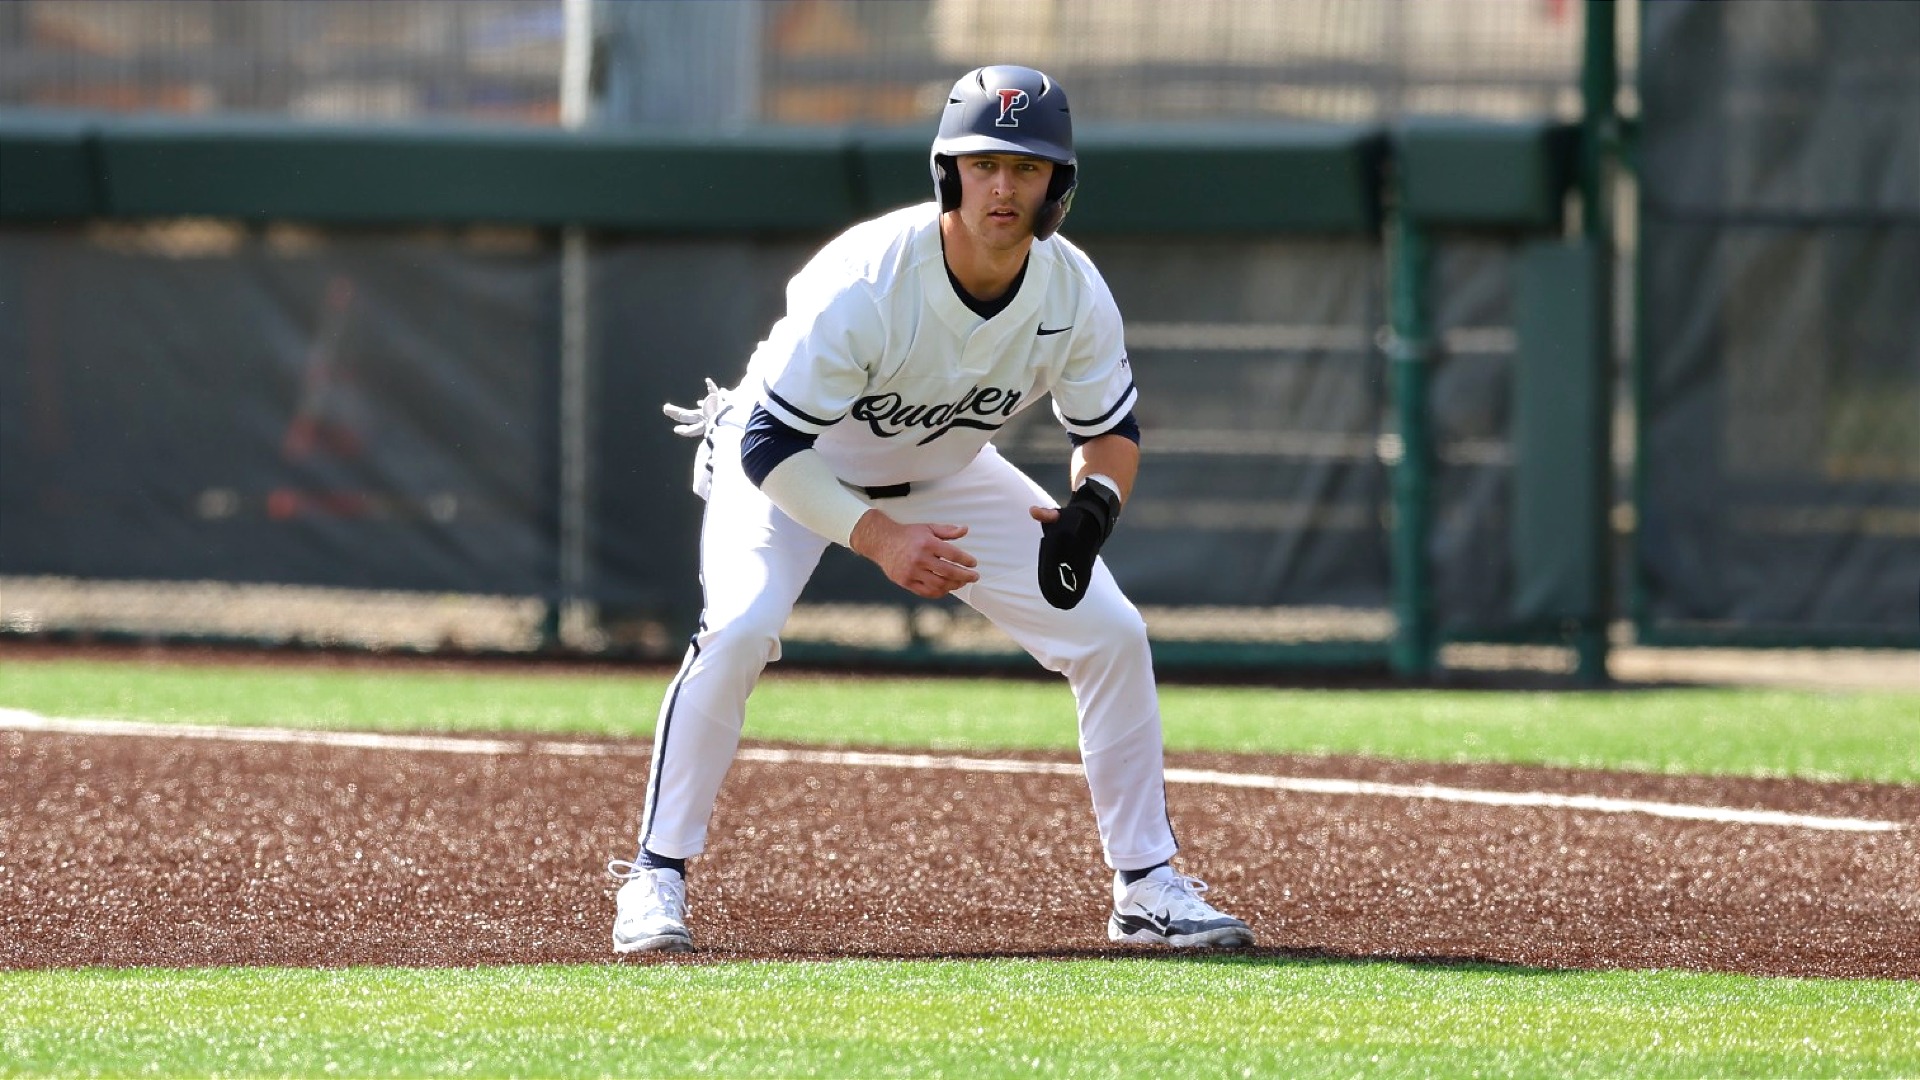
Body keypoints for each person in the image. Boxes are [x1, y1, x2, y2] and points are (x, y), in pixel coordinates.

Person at [608, 65, 1253, 954]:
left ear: (1058, 187)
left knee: (1112, 633)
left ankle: (1147, 886)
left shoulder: (1070, 289)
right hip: (795, 468)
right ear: (948, 172)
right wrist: (879, 539)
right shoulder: (872, 277)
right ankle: (657, 874)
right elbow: (767, 446)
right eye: (984, 163)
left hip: (945, 470)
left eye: (1026, 169)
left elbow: (1110, 432)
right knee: (744, 626)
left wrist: (1091, 511)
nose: (1003, 186)